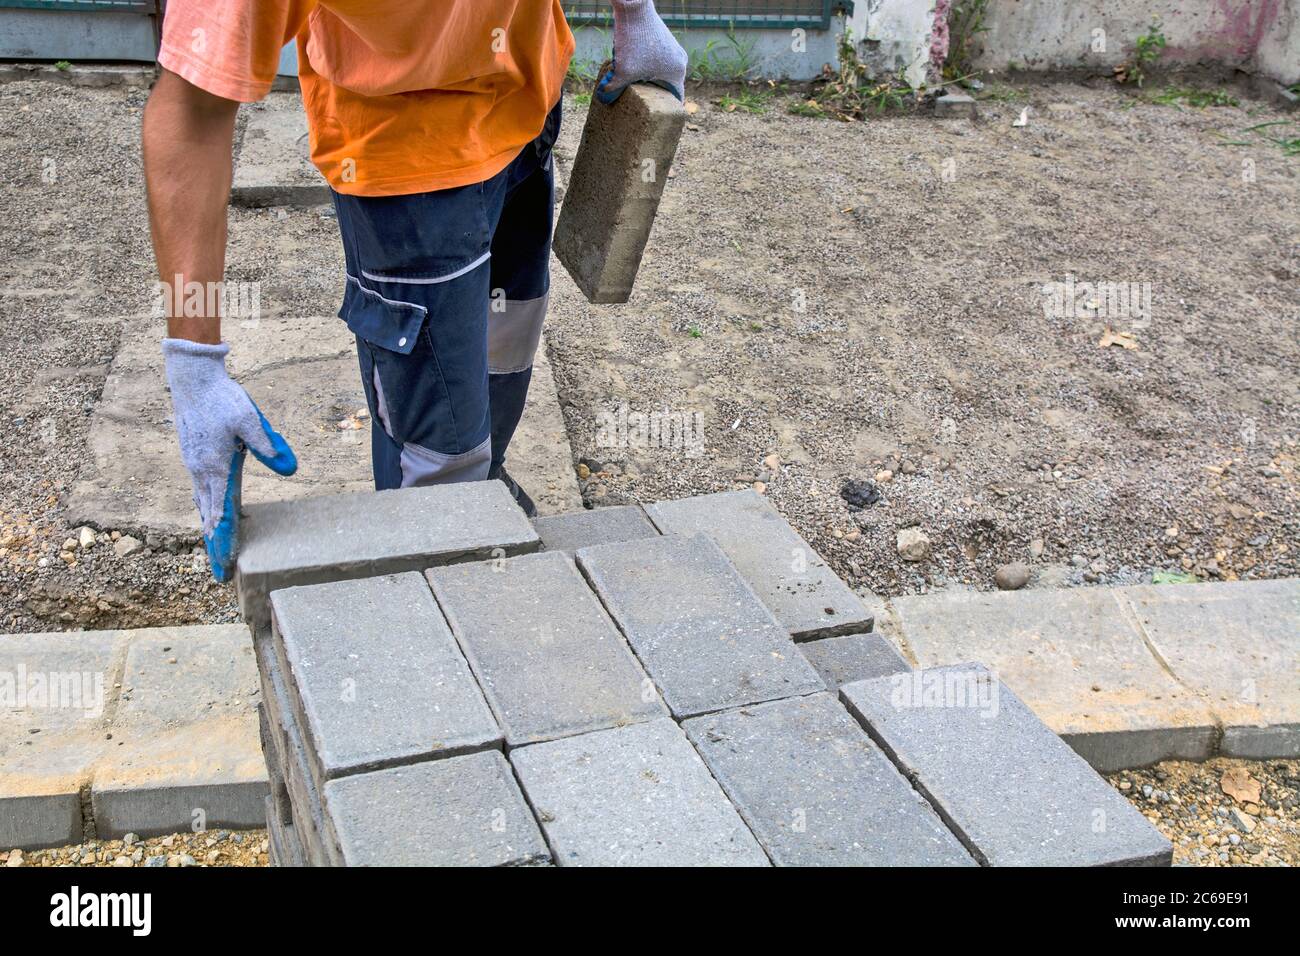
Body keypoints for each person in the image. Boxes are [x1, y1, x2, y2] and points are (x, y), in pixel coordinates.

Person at [143, 0, 687, 581]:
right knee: (437, 461)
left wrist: (634, 12)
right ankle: (436, 577)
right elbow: (193, 109)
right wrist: (194, 366)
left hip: (528, 107)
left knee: (503, 350)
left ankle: (481, 487)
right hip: (410, 163)